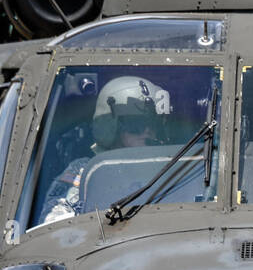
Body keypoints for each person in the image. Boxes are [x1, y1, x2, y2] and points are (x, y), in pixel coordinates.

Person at [40, 75, 169, 225]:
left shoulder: (167, 167)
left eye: (153, 124)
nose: (147, 131)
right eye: (136, 124)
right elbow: (54, 225)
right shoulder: (84, 172)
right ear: (110, 126)